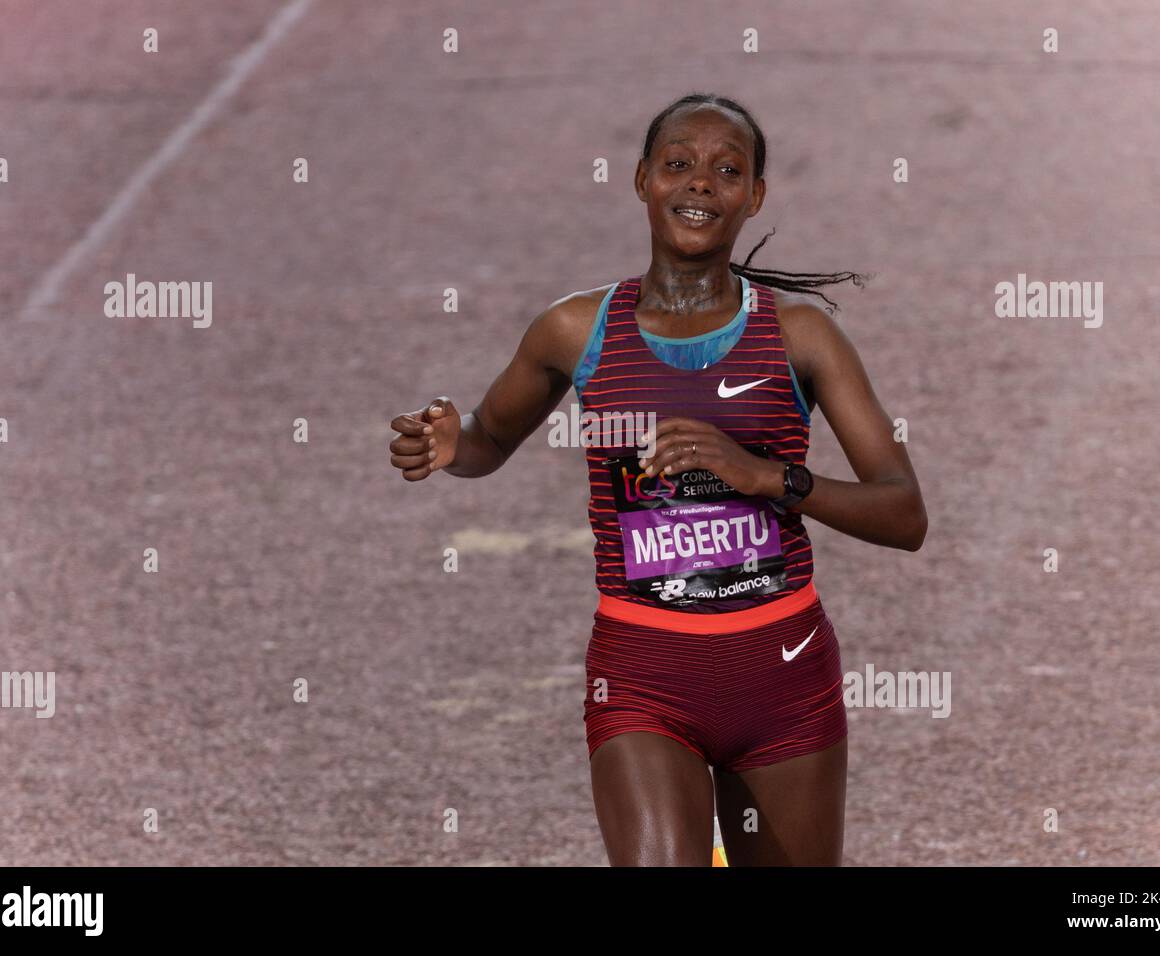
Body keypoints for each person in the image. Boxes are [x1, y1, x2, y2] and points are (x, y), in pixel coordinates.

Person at [389, 93, 927, 866]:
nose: (700, 184)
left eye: (726, 170)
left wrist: (765, 475)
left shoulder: (802, 335)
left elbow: (905, 514)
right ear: (642, 180)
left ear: (755, 196)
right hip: (643, 676)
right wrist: (450, 444)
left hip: (783, 678)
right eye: (679, 164)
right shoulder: (575, 330)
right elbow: (488, 437)